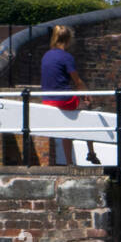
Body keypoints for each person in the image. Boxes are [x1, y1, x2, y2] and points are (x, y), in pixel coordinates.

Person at [40, 25, 98, 164]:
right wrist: (87, 96)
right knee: (87, 110)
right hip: (63, 100)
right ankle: (91, 152)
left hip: (47, 100)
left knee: (67, 126)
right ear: (68, 40)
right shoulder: (66, 57)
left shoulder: (46, 55)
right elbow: (78, 82)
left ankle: (69, 162)